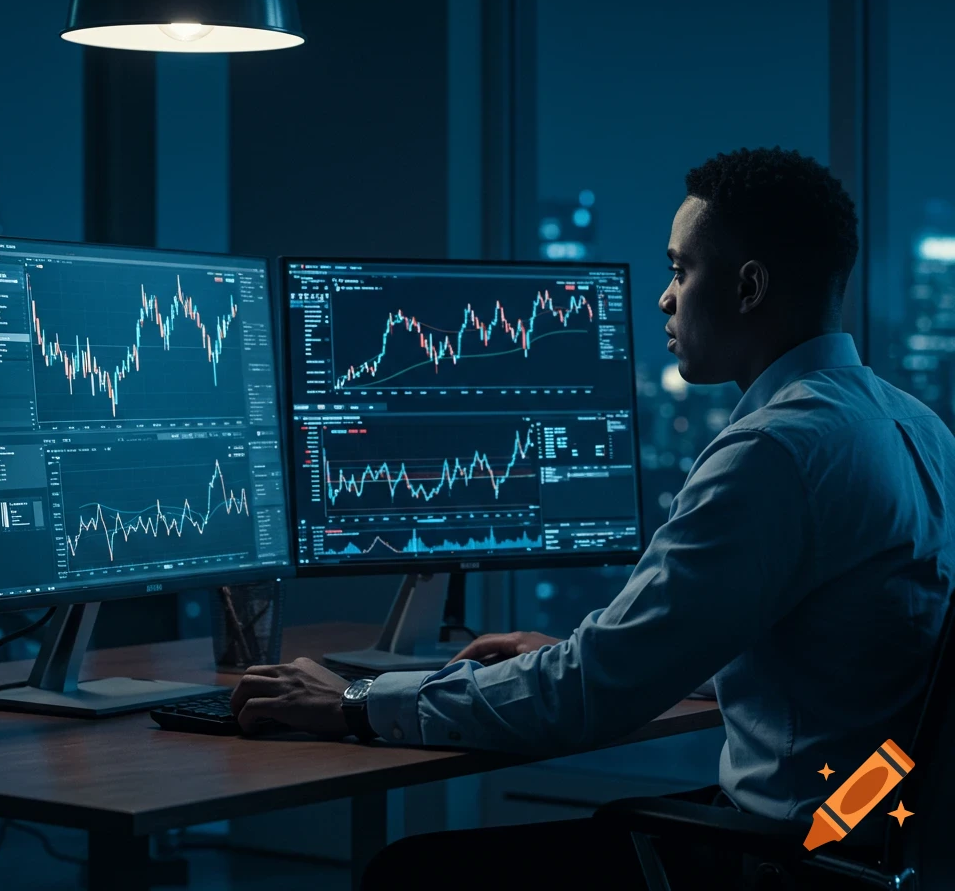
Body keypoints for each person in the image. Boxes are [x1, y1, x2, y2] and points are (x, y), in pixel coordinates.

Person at [231, 147, 955, 889]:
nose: (666, 300)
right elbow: (837, 651)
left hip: (785, 861)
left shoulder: (772, 452)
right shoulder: (918, 428)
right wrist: (601, 650)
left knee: (410, 874)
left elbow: (583, 700)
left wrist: (355, 700)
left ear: (748, 287)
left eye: (681, 270)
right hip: (862, 836)